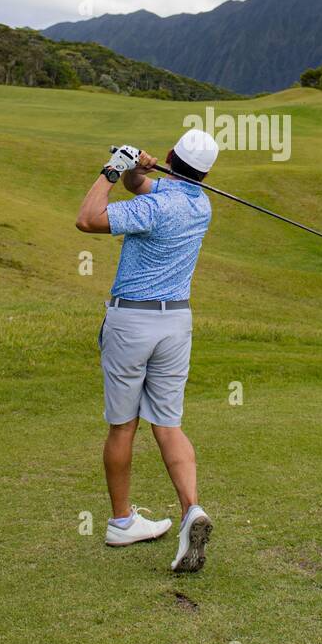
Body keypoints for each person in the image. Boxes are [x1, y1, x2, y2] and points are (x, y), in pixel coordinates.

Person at [75, 129, 218, 572]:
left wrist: (111, 170)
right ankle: (191, 509)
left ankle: (121, 522)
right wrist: (138, 170)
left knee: (123, 427)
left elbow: (87, 218)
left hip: (131, 321)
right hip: (176, 323)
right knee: (168, 424)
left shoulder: (156, 207)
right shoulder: (200, 204)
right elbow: (145, 187)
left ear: (173, 157)